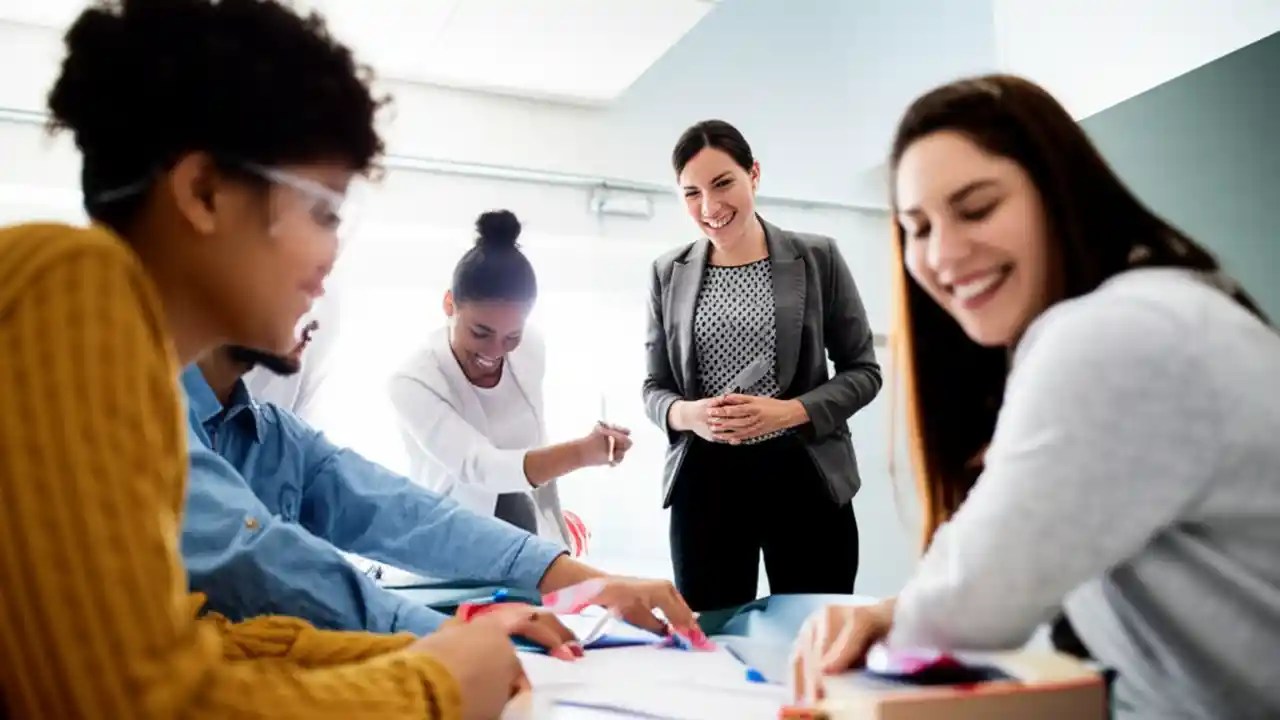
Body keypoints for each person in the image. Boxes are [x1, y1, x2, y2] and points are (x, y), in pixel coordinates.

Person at [0, 0, 532, 717]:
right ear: (204, 191)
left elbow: (196, 639)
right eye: (322, 213)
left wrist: (420, 651)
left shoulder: (142, 375)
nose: (329, 258)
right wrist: (435, 684)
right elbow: (138, 700)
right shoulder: (71, 282)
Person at [792, 75, 1280, 719]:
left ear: (1057, 193)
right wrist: (896, 613)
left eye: (977, 208)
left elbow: (958, 617)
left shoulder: (1108, 335)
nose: (943, 254)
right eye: (917, 228)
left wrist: (901, 620)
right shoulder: (1168, 303)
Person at [184, 337, 698, 642]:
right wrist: (454, 634)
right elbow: (247, 558)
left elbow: (402, 512)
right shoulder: (137, 409)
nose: (320, 265)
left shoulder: (273, 432)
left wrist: (587, 582)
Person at [643, 120, 882, 612]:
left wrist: (789, 411)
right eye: (692, 192)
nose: (710, 207)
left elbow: (863, 371)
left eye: (723, 183)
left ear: (754, 175)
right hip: (705, 484)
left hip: (804, 475)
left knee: (813, 634)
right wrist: (693, 416)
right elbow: (654, 388)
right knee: (712, 639)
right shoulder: (668, 272)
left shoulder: (818, 257)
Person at [389, 210, 634, 546]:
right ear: (449, 304)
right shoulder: (413, 382)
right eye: (480, 332)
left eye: (511, 335)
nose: (496, 350)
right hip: (449, 543)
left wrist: (554, 526)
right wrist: (581, 453)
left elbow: (534, 440)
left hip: (524, 536)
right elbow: (480, 468)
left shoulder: (531, 346)